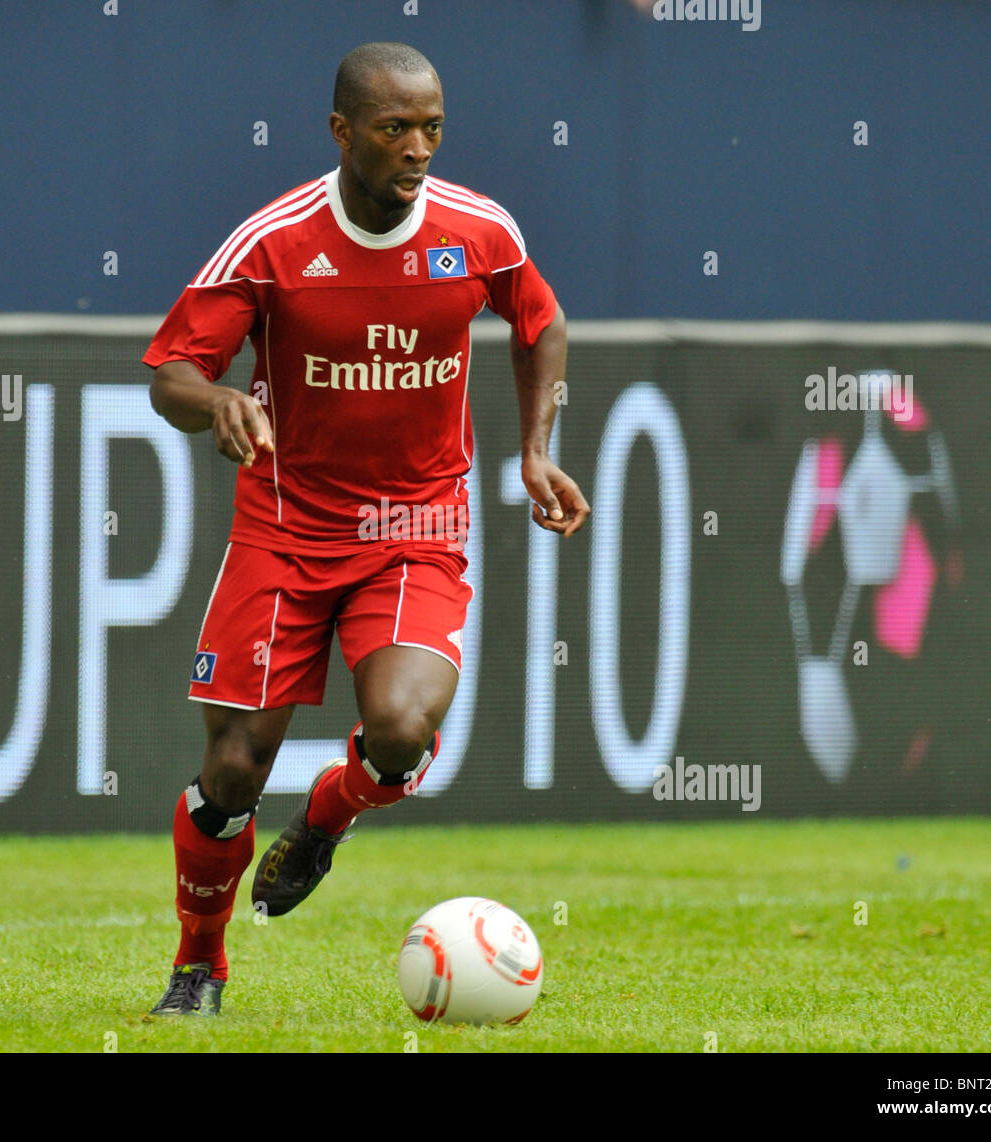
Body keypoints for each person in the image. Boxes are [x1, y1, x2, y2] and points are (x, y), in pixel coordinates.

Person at [142, 41, 589, 1016]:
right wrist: (215, 397)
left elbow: (539, 320)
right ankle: (198, 966)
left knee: (398, 728)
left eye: (432, 126)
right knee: (229, 770)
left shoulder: (478, 231)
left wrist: (534, 447)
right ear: (343, 132)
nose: (418, 147)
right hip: (288, 527)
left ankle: (326, 818)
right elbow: (171, 370)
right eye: (395, 128)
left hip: (416, 524)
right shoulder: (274, 242)